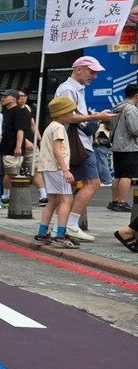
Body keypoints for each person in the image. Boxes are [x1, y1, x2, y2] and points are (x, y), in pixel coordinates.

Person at [54, 56, 116, 242]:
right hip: (77, 143)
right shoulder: (68, 89)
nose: (94, 76)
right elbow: (67, 116)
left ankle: (61, 226)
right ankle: (71, 225)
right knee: (93, 183)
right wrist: (93, 118)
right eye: (91, 71)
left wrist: (93, 116)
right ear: (79, 69)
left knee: (68, 187)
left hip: (76, 142)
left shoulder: (76, 89)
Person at [33, 97, 82, 249]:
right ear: (61, 114)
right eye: (70, 112)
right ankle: (60, 235)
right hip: (57, 168)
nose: (72, 115)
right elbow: (57, 150)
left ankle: (42, 232)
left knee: (53, 199)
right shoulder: (59, 128)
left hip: (48, 167)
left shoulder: (50, 126)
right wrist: (66, 170)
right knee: (67, 200)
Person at [109, 84, 138, 214]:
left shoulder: (117, 108)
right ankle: (122, 202)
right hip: (128, 147)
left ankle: (114, 201)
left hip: (117, 146)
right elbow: (134, 129)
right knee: (127, 175)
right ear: (137, 95)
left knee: (118, 175)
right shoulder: (131, 109)